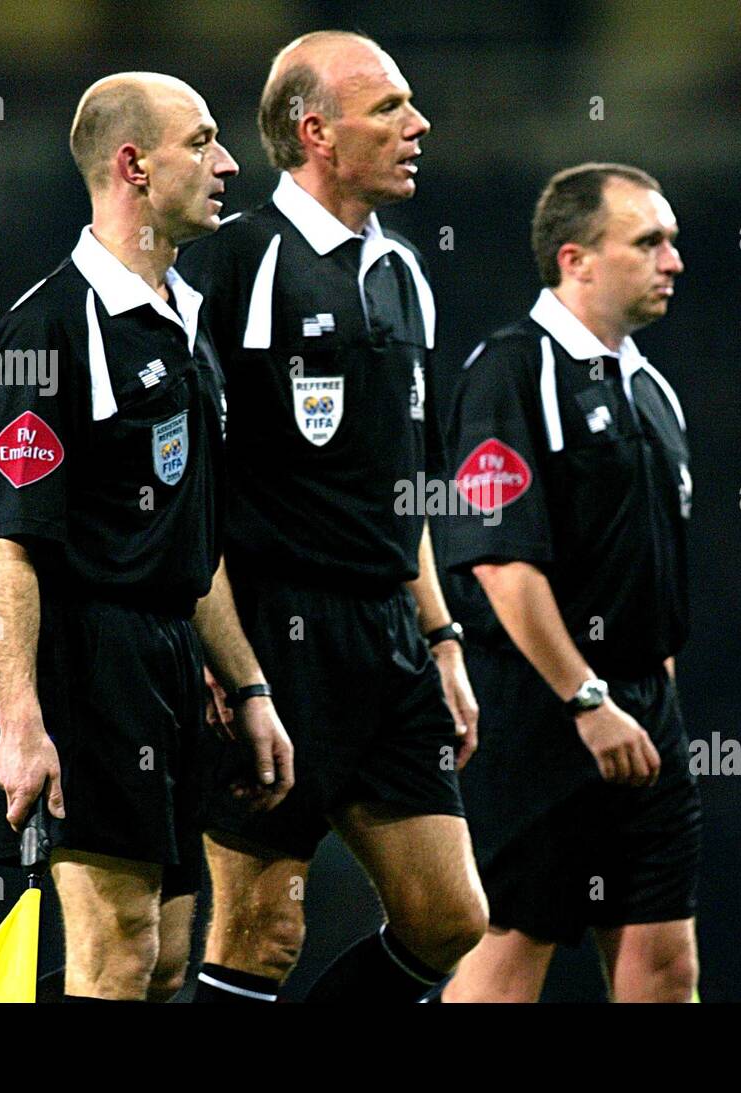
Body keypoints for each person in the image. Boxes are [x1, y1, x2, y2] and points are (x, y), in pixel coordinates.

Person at [178, 31, 487, 1004]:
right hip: (275, 630)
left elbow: (406, 484)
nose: (417, 124)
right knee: (261, 929)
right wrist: (223, 657)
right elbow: (185, 488)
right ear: (315, 131)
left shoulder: (405, 275)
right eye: (390, 107)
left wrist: (440, 634)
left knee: (449, 917)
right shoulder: (227, 268)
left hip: (389, 638)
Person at [0, 72, 293, 1003]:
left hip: (168, 666)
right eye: (201, 141)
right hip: (90, 663)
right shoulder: (48, 326)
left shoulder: (189, 324)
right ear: (133, 165)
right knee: (113, 954)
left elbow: (197, 550)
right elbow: (7, 543)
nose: (229, 162)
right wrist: (21, 722)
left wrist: (250, 683)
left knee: (159, 962)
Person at [436, 163, 700, 1002]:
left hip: (643, 712)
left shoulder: (652, 391)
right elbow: (500, 561)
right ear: (576, 258)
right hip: (537, 712)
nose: (674, 260)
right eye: (650, 241)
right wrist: (586, 700)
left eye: (674, 241)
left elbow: (648, 577)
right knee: (511, 953)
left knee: (665, 958)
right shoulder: (510, 374)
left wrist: (651, 694)